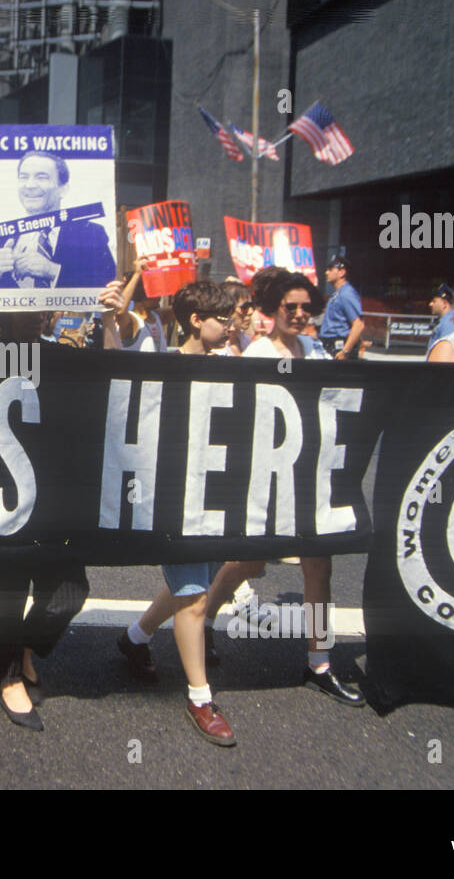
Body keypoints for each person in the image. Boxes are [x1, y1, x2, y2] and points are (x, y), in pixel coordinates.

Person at [0, 279, 124, 731]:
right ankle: (8, 676)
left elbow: (112, 376)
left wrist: (110, 319)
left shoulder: (60, 354)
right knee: (4, 602)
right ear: (2, 308)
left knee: (68, 593)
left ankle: (24, 649)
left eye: (43, 304)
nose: (37, 311)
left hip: (55, 502)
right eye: (26, 303)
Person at [202, 268, 365, 706]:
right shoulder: (258, 349)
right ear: (272, 310)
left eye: (305, 308)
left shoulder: (312, 349)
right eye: (289, 307)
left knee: (319, 567)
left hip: (309, 476)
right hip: (267, 476)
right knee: (248, 563)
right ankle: (203, 622)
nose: (297, 314)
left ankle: (320, 664)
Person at [116, 280, 238, 746]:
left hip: (212, 494)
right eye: (222, 319)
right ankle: (200, 698)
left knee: (195, 584)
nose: (230, 326)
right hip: (173, 496)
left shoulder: (232, 366)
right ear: (194, 321)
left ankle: (134, 637)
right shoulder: (161, 361)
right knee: (195, 598)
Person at [0, 150, 116, 290]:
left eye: (41, 177)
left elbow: (106, 291)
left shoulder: (91, 234)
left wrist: (53, 271)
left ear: (63, 189)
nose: (30, 185)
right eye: (24, 177)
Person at [320, 254, 364, 359]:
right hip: (331, 344)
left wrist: (345, 351)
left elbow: (358, 325)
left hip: (339, 346)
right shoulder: (338, 294)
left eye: (330, 269)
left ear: (341, 272)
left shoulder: (347, 293)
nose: (326, 272)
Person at [425, 283, 454, 355]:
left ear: (444, 303)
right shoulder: (448, 320)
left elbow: (447, 354)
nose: (430, 304)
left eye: (434, 301)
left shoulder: (449, 323)